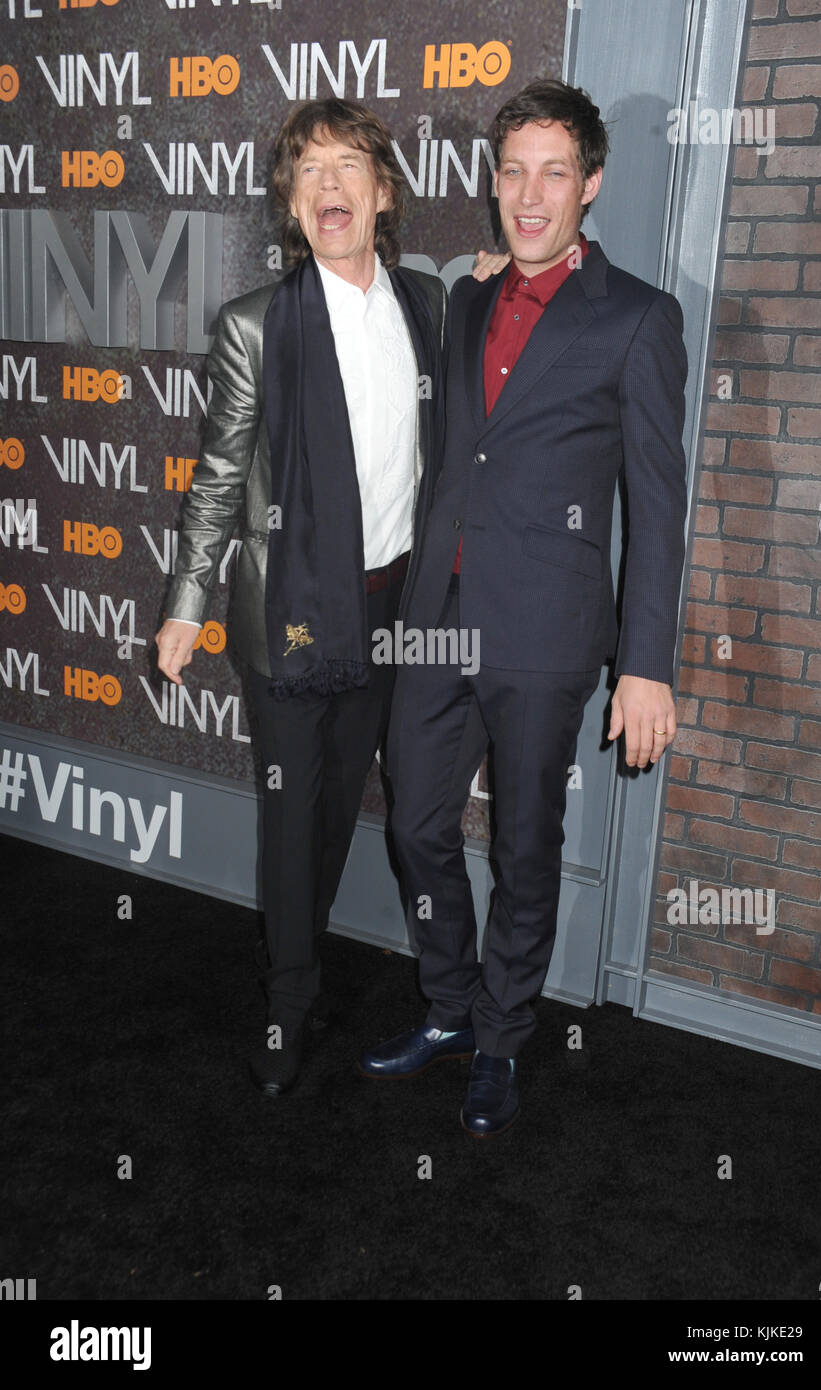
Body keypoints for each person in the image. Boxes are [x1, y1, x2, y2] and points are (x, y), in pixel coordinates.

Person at [359, 79, 689, 1137]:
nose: (531, 194)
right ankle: (449, 1004)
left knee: (526, 847)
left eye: (555, 172)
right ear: (492, 183)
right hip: (437, 613)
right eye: (513, 172)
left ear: (590, 183)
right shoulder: (465, 299)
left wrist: (646, 664)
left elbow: (657, 503)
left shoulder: (639, 317)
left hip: (546, 632)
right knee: (414, 823)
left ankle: (500, 1037)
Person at [155, 97, 503, 1097]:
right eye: (308, 171)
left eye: (349, 165)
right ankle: (288, 1003)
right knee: (290, 821)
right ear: (291, 205)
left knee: (348, 804)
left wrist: (478, 284)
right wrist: (186, 601)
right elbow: (219, 475)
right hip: (293, 615)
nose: (329, 185)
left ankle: (330, 964)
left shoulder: (428, 308)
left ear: (383, 193)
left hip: (398, 611)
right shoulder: (253, 327)